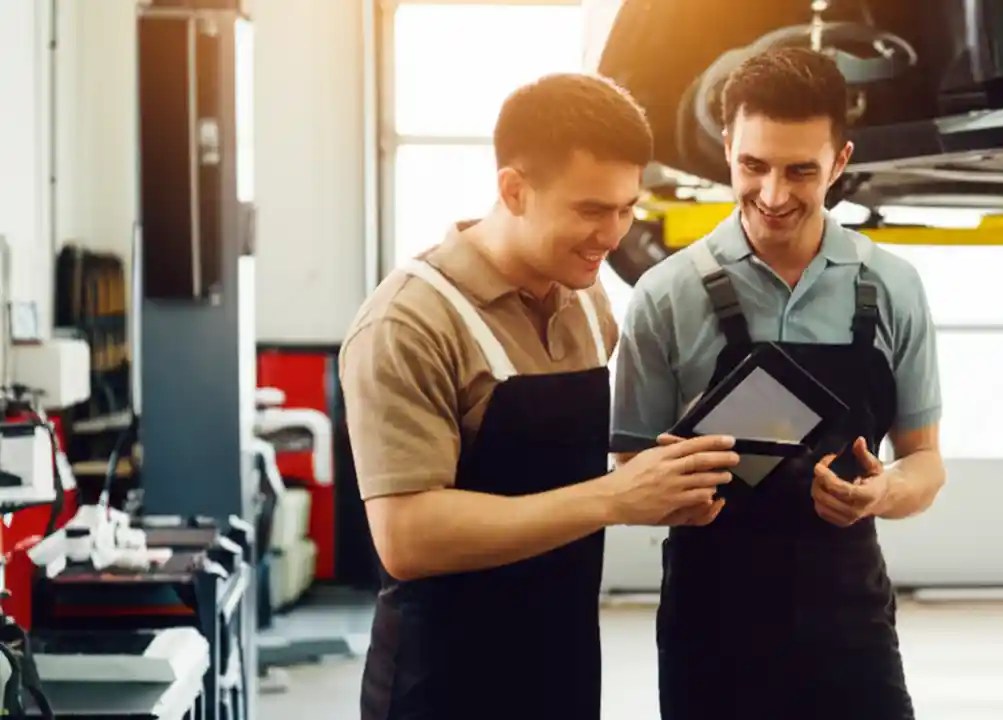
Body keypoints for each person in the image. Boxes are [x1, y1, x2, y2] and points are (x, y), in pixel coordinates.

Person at [340, 73, 740, 720]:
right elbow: (406, 537)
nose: (613, 235)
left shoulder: (587, 299)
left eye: (626, 207)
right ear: (514, 190)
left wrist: (666, 486)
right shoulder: (408, 324)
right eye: (590, 210)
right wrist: (612, 498)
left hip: (563, 667)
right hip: (443, 685)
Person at [611, 47, 947, 719]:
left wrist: (884, 492)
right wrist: (678, 494)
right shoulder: (665, 296)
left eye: (802, 171)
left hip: (851, 623)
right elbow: (629, 469)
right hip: (713, 627)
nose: (773, 194)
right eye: (752, 166)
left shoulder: (892, 289)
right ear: (727, 146)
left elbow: (925, 461)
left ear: (841, 162)